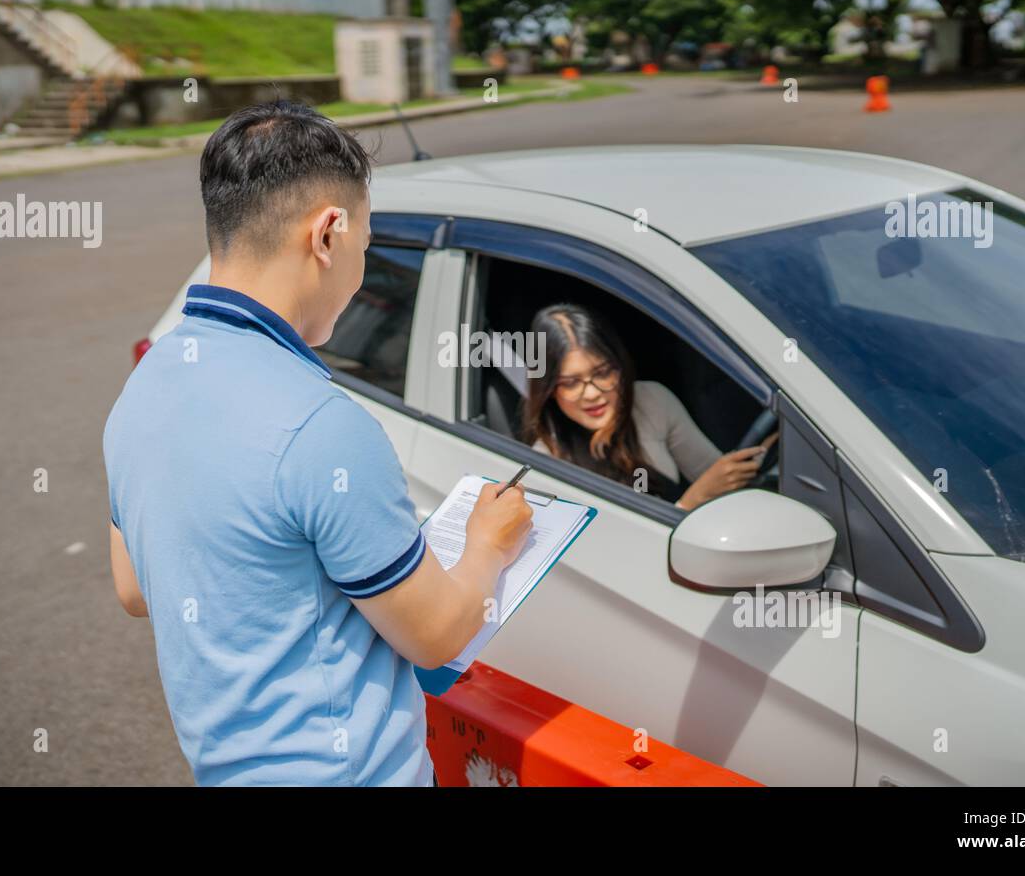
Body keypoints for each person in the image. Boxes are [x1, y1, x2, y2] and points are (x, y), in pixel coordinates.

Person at [103, 100, 533, 786]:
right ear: (329, 234)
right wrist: (489, 541)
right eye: (368, 242)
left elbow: (134, 588)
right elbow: (436, 634)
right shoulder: (319, 424)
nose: (363, 268)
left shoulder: (147, 383)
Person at [522, 304, 775, 509]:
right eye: (571, 382)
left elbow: (714, 475)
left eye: (603, 372)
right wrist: (690, 502)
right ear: (549, 389)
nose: (592, 393)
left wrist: (758, 460)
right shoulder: (546, 463)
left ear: (620, 366)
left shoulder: (651, 401)